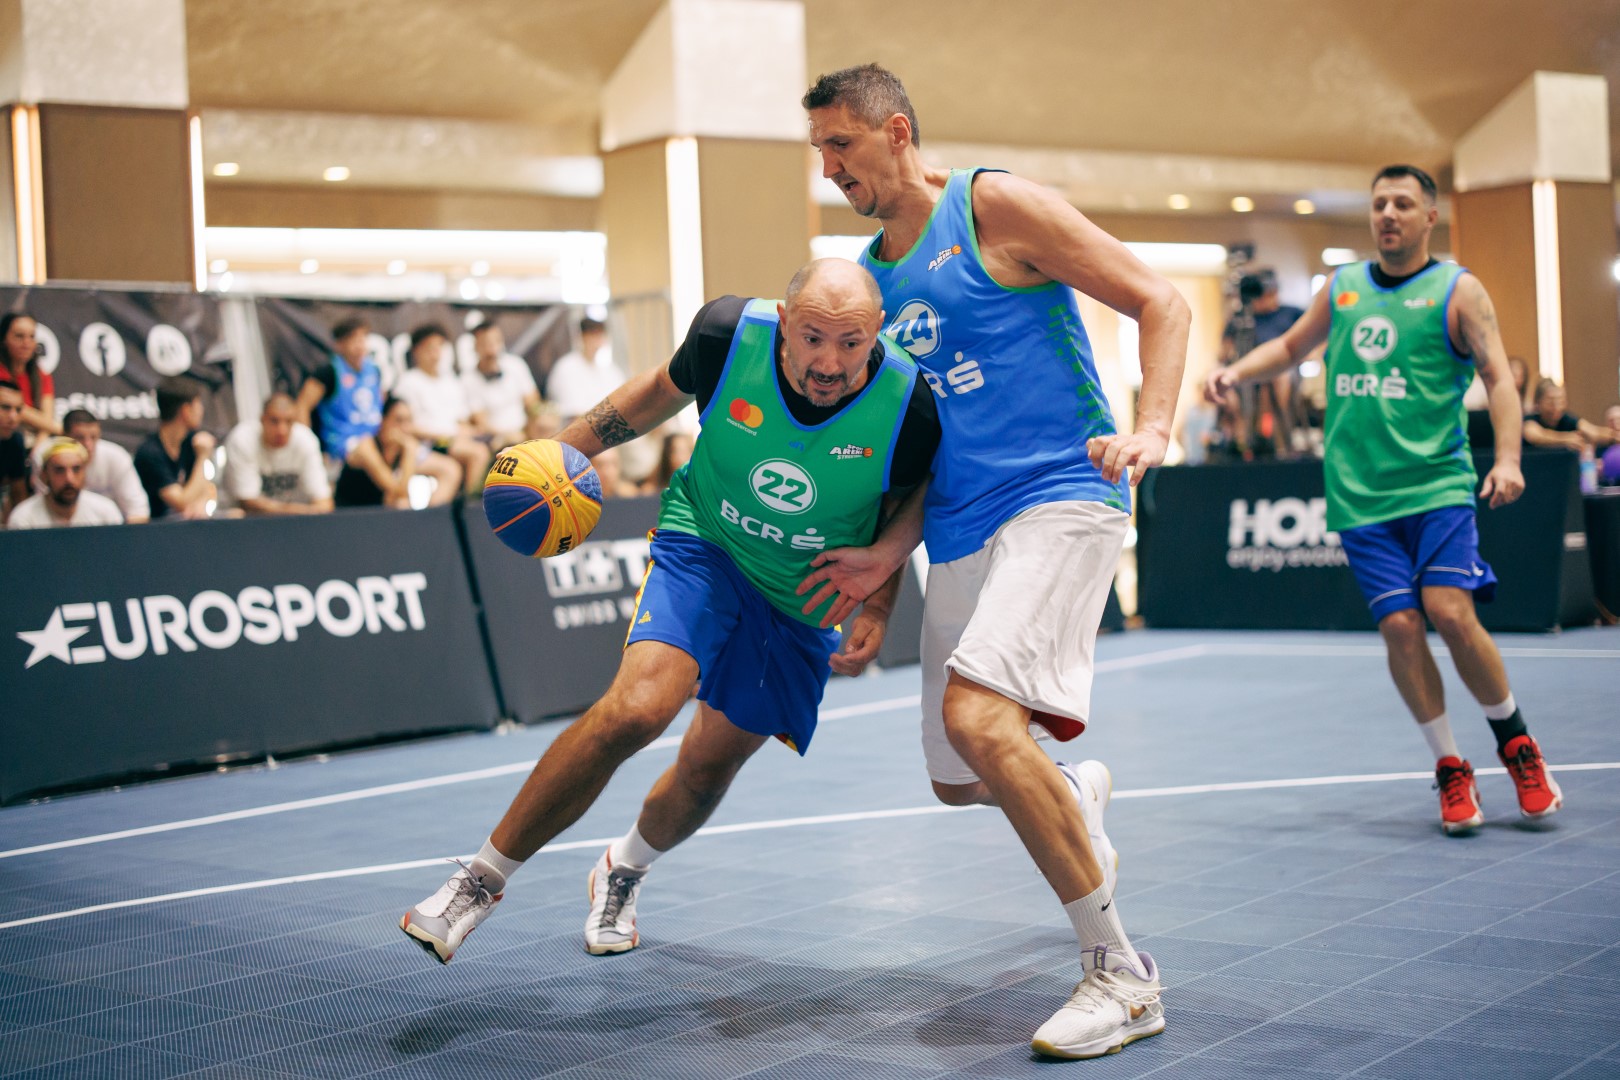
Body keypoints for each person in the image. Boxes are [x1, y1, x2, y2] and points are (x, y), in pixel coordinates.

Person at [794, 65, 1188, 1061]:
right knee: (961, 776)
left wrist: (1150, 426)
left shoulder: (989, 206)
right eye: (821, 151)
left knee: (980, 718)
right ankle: (1072, 790)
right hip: (960, 523)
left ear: (897, 133)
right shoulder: (866, 282)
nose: (830, 166)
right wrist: (885, 566)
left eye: (841, 144)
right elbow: (916, 451)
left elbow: (1162, 301)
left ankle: (1120, 974)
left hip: (1062, 489)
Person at [400, 259, 941, 972]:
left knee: (707, 766)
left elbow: (904, 501)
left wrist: (877, 600)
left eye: (851, 344)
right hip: (705, 543)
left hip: (805, 591)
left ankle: (623, 869)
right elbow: (659, 392)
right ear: (785, 323)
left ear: (877, 335)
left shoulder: (910, 405)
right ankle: (480, 880)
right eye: (813, 338)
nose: (830, 362)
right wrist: (565, 451)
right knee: (637, 709)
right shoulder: (726, 335)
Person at [1207, 164, 1562, 837]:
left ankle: (1517, 745)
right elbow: (1287, 346)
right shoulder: (1343, 289)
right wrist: (1235, 372)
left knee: (1449, 613)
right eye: (1378, 204)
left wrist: (1511, 458)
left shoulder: (1458, 291)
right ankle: (1450, 768)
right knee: (1401, 628)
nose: (1387, 214)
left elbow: (1498, 377)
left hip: (1436, 483)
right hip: (1359, 492)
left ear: (1430, 216)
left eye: (1403, 203)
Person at [392, 324, 487, 494]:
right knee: (478, 453)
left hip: (453, 440)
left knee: (490, 447)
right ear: (416, 351)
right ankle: (471, 506)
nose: (435, 354)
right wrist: (445, 434)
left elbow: (462, 419)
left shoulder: (451, 381)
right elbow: (405, 427)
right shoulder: (407, 383)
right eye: (429, 348)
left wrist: (472, 431)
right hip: (428, 443)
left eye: (438, 348)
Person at [1222, 269, 1305, 457]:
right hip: (1248, 371)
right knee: (1230, 386)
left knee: (1280, 378)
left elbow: (1312, 339)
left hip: (1284, 369)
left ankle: (1280, 440)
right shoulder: (1242, 320)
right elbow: (1224, 352)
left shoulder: (1290, 313)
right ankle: (1243, 442)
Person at [221, 393, 333, 515]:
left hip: (296, 524)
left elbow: (324, 502)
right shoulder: (243, 440)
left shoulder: (306, 440)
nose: (282, 430)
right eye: (274, 421)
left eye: (289, 421)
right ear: (262, 420)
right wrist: (302, 511)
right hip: (247, 523)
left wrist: (304, 512)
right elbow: (247, 501)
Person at [34, 409, 151, 524]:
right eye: (80, 438)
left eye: (94, 437)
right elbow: (44, 506)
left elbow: (138, 511)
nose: (88, 445)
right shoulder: (46, 458)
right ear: (64, 436)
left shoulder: (117, 457)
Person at [134, 378, 216, 521]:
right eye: (198, 405)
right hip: (156, 528)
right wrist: (202, 457)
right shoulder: (149, 453)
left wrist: (200, 503)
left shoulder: (191, 442)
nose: (201, 411)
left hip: (185, 522)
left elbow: (207, 489)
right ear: (186, 410)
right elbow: (181, 502)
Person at [334, 396, 431, 508]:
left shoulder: (401, 450)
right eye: (398, 420)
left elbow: (401, 497)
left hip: (378, 513)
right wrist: (410, 452)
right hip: (348, 514)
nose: (404, 428)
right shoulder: (366, 447)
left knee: (402, 504)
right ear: (383, 421)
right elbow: (397, 492)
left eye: (408, 421)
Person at [8, 438, 123, 529]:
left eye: (76, 469)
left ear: (85, 474)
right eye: (59, 470)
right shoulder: (24, 518)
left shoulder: (106, 514)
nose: (69, 479)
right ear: (44, 475)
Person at [462, 323, 541, 450]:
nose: (492, 348)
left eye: (496, 341)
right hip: (493, 437)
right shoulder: (468, 379)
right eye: (486, 343)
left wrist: (530, 428)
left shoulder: (515, 365)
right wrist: (507, 435)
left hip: (524, 429)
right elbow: (480, 421)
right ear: (476, 346)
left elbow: (532, 401)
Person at [545, 315, 627, 419]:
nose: (596, 340)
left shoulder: (611, 370)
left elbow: (622, 402)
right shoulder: (566, 367)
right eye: (592, 335)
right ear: (582, 337)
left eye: (600, 335)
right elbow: (572, 413)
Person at [0, 312, 59, 439]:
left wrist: (38, 451)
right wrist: (64, 429)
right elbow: (19, 412)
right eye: (19, 336)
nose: (26, 343)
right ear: (4, 339)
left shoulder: (41, 375)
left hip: (36, 439)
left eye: (32, 337)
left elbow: (46, 421)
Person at [1522, 378, 1617, 453]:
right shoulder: (1530, 420)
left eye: (1560, 400)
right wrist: (1565, 439)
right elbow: (1536, 436)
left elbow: (1593, 432)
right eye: (1550, 401)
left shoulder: (1567, 419)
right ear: (1538, 402)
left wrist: (1614, 436)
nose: (1556, 406)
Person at [1, 382, 32, 523]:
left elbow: (19, 496)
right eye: (5, 407)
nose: (13, 417)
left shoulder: (15, 442)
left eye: (18, 410)